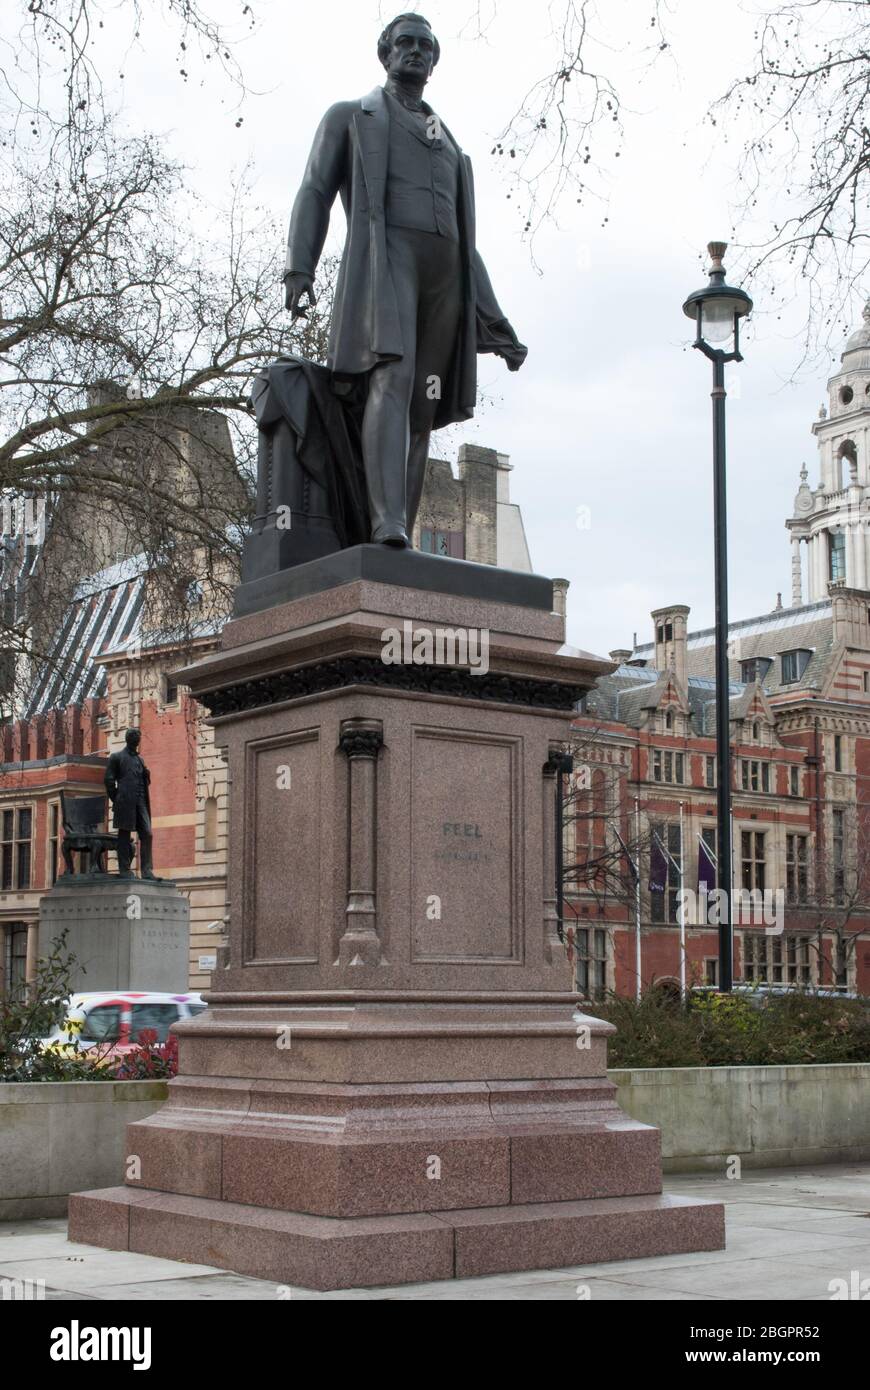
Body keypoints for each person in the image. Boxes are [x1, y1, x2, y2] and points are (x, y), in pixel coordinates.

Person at [284, 11, 526, 547]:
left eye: (425, 46)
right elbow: (314, 192)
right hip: (387, 261)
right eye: (405, 43)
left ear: (434, 61)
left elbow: (468, 248)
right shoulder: (350, 116)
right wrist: (300, 266)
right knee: (390, 377)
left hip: (443, 281)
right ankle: (386, 522)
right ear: (385, 53)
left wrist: (495, 321)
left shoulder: (451, 147)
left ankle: (401, 533)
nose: (415, 52)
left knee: (423, 405)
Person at [105, 728, 154, 878]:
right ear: (129, 739)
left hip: (140, 801)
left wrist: (146, 775)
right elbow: (109, 780)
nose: (137, 739)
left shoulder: (140, 759)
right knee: (124, 835)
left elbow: (142, 781)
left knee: (147, 833)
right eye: (134, 737)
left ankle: (146, 870)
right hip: (125, 801)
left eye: (138, 737)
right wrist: (117, 799)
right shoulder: (116, 757)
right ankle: (124, 869)